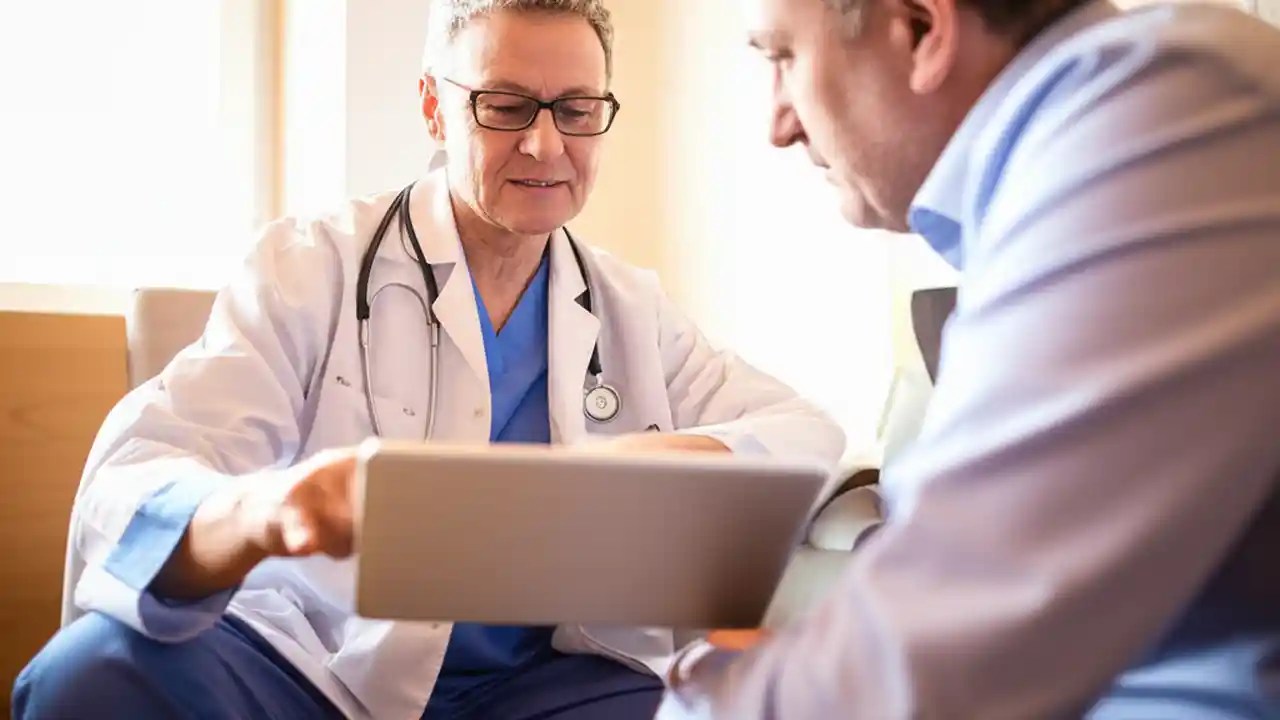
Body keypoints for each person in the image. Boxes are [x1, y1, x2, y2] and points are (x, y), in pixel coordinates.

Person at [11, 1, 846, 718]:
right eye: (506, 105)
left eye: (578, 108)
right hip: (312, 666)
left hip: (544, 682)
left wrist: (672, 455)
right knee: (86, 678)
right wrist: (268, 510)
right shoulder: (312, 265)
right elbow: (140, 471)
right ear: (433, 108)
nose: (546, 146)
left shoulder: (629, 308)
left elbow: (807, 433)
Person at [656, 0, 1280, 717]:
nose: (780, 123)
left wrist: (705, 700)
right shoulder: (1088, 147)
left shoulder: (1164, 108)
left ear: (921, 29)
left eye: (785, 58)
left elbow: (928, 655)